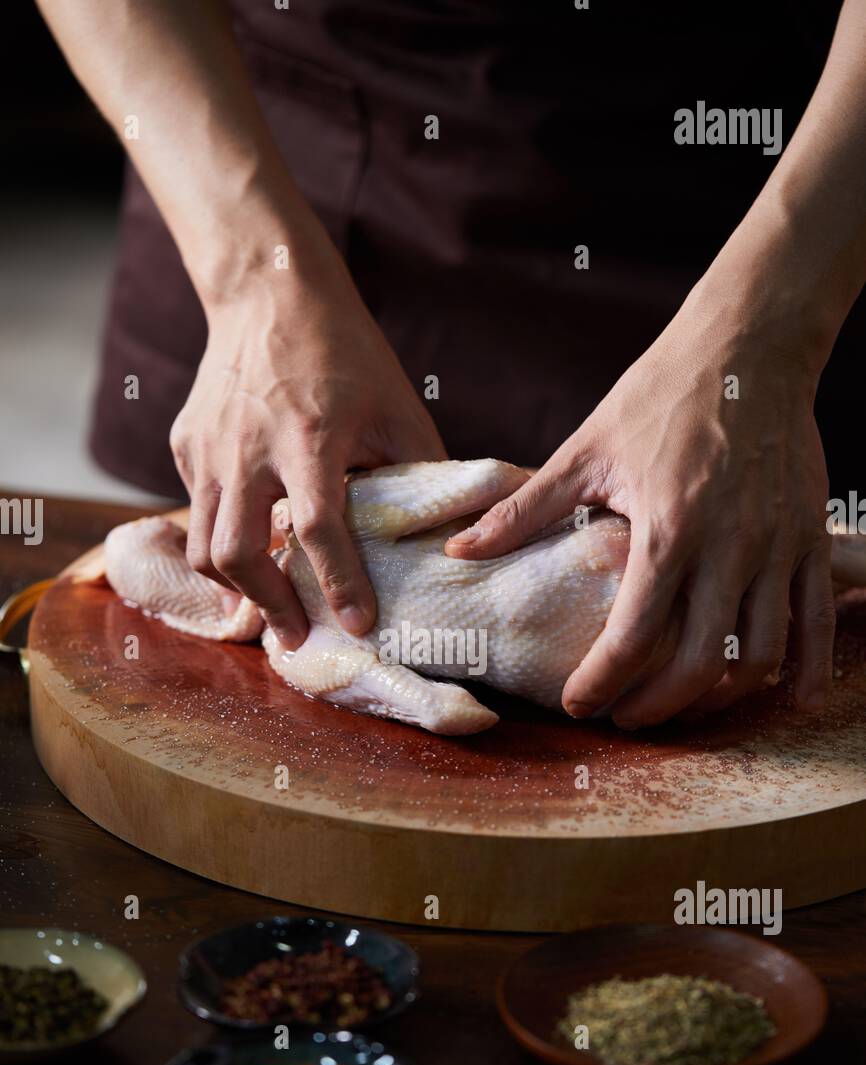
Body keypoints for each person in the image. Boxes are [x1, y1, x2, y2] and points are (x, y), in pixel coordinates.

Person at [38, 1, 866, 728]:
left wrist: (764, 337)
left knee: (760, 582)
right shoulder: (282, 601)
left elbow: (445, 703)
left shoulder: (311, 636)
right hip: (259, 159)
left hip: (779, 190)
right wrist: (253, 278)